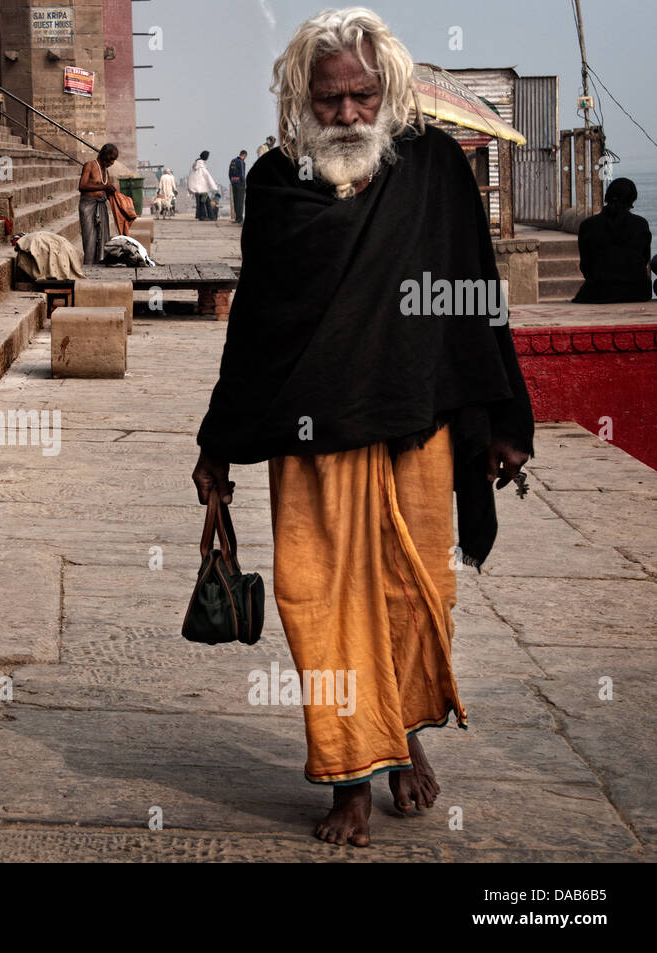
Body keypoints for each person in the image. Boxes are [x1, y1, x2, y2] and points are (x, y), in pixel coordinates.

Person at [191, 7, 533, 849]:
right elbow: (259, 323)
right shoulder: (276, 184)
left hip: (415, 425)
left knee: (414, 598)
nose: (346, 115)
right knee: (321, 606)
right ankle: (347, 778)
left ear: (390, 92)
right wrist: (217, 442)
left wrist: (505, 418)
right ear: (302, 98)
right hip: (313, 442)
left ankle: (402, 738)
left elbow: (475, 295)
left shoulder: (435, 170)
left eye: (362, 96)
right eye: (330, 99)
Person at [572, 178, 653, 303]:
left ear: (607, 197)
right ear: (632, 199)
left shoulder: (588, 225)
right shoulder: (641, 224)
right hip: (637, 291)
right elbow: (644, 259)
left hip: (599, 292)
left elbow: (586, 265)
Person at [77, 143, 119, 265]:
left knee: (102, 239)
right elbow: (82, 186)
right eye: (111, 158)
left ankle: (99, 264)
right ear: (105, 154)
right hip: (87, 206)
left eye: (114, 160)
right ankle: (89, 265)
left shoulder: (106, 172)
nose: (112, 162)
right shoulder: (89, 165)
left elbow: (106, 188)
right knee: (89, 238)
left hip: (101, 206)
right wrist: (104, 186)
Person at [186, 151, 220, 221]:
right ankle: (204, 216)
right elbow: (207, 177)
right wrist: (213, 186)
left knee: (206, 202)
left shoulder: (195, 164)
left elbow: (191, 176)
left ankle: (210, 216)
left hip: (197, 188)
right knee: (203, 202)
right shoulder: (201, 166)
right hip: (202, 188)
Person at [228, 150, 248, 222]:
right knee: (240, 201)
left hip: (233, 182)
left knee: (235, 201)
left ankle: (237, 218)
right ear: (244, 155)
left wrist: (232, 180)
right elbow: (242, 173)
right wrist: (243, 182)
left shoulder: (233, 161)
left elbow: (229, 173)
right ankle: (240, 218)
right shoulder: (241, 162)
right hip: (240, 183)